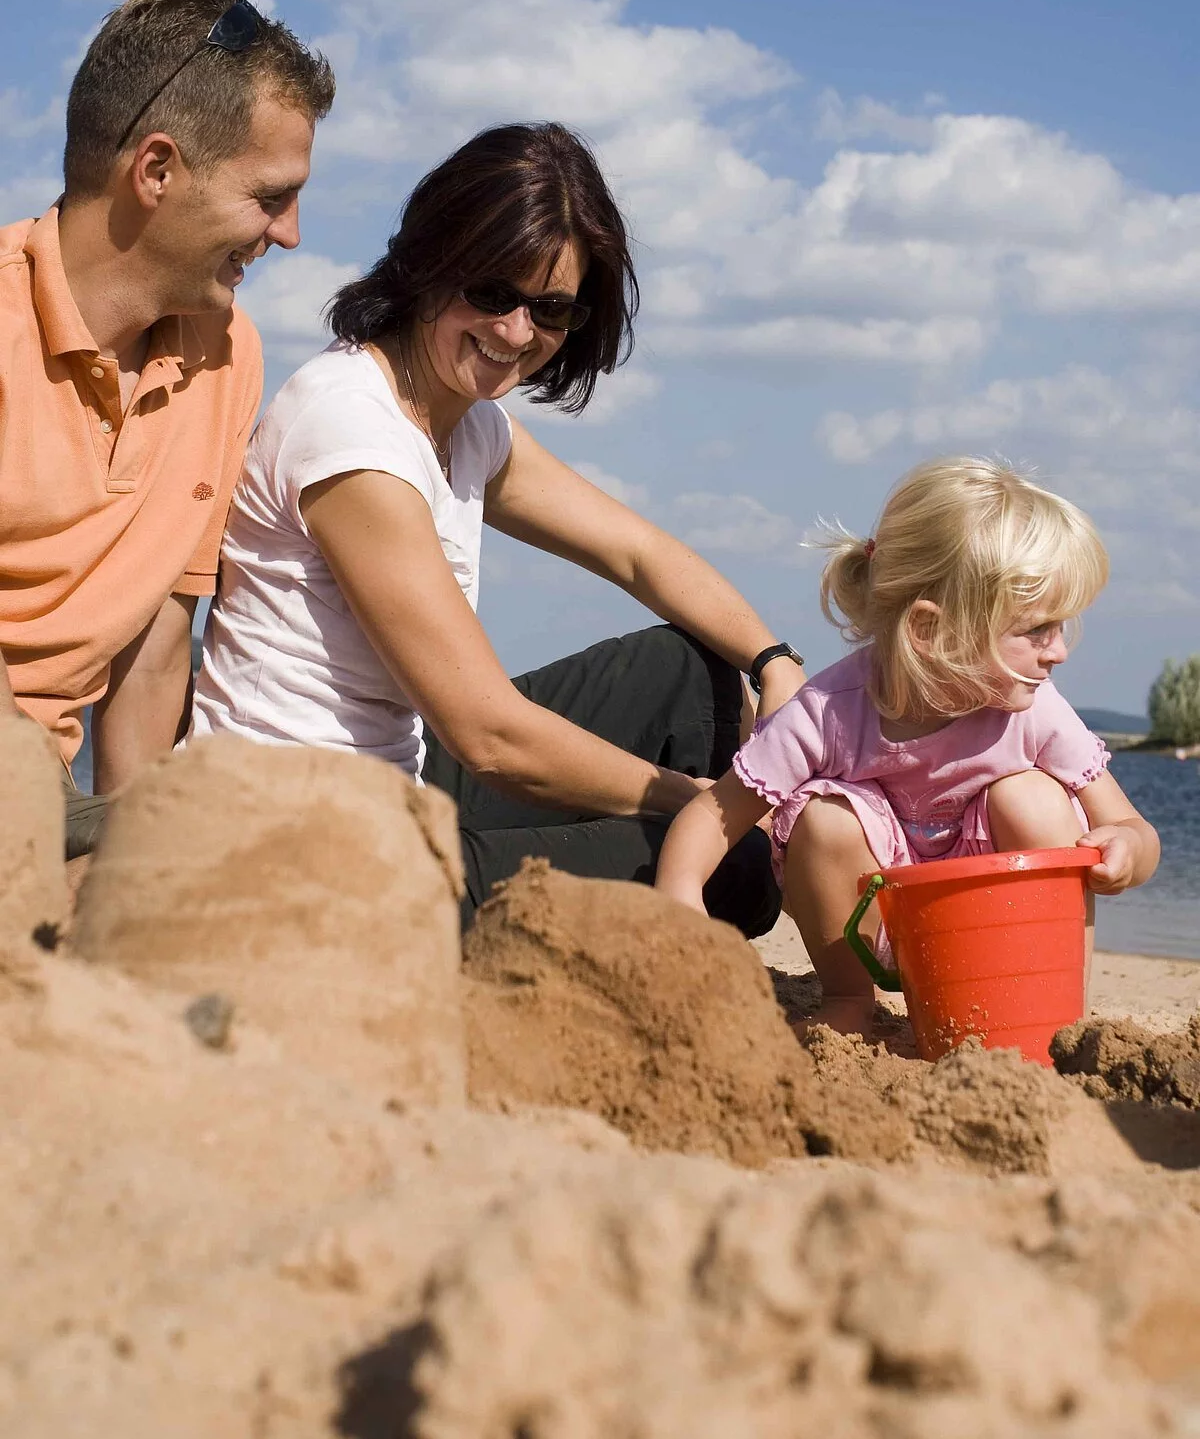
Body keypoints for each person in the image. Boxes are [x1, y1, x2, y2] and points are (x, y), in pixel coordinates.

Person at [191, 122, 807, 933]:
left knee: (695, 673)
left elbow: (638, 552)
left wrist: (774, 663)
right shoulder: (352, 432)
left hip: (396, 778)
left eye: (550, 308)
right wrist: (707, 807)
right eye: (490, 292)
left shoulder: (467, 423)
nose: (517, 332)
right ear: (428, 262)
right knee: (737, 867)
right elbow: (487, 734)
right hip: (302, 852)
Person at [0, 0, 335, 859]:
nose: (290, 233)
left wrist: (129, 867)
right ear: (155, 170)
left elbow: (154, 642)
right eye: (270, 196)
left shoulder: (231, 354)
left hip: (41, 813)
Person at [655, 457, 1160, 1032]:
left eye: (1062, 628)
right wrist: (680, 893)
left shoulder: (1034, 709)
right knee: (823, 818)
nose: (1059, 651)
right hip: (873, 920)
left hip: (997, 922)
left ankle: (1051, 1012)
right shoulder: (828, 712)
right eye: (1035, 630)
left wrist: (1125, 849)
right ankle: (850, 1001)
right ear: (929, 630)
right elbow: (716, 812)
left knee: (1033, 797)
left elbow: (1133, 827)